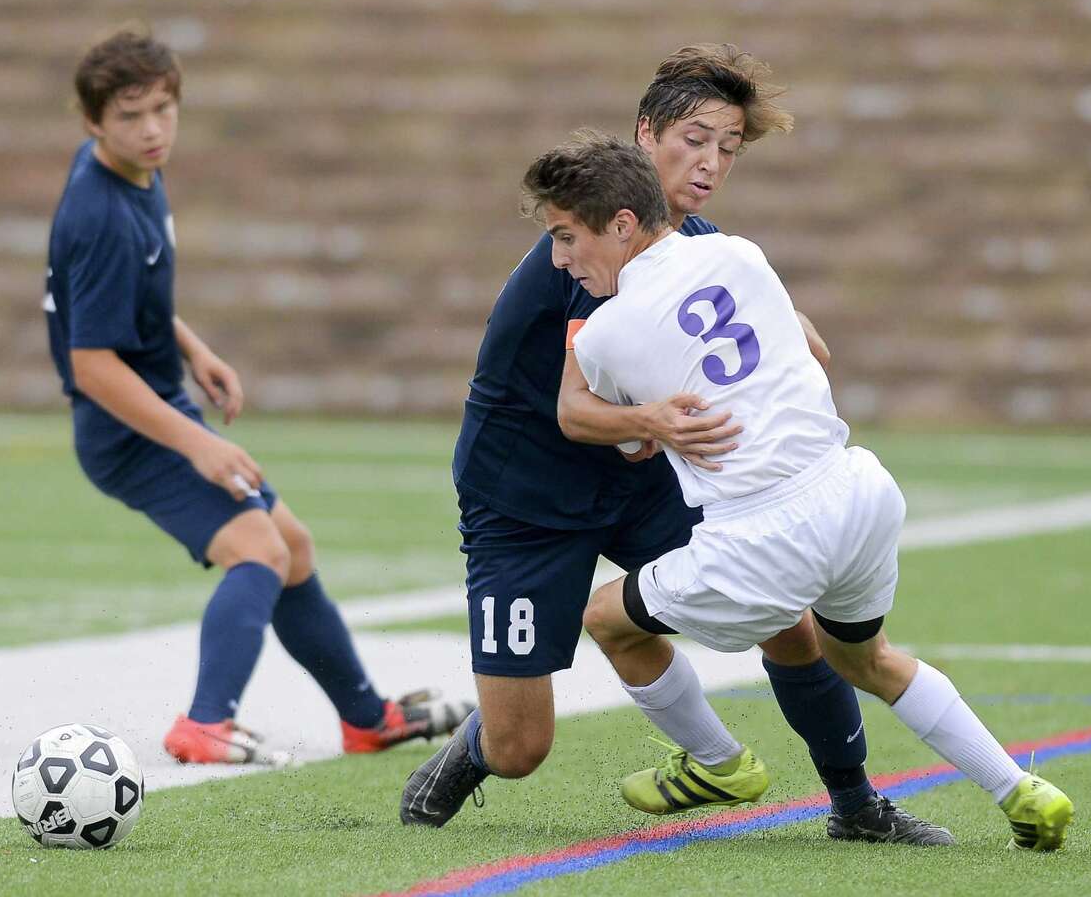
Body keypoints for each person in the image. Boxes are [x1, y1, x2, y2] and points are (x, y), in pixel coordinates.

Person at [402, 45, 948, 845]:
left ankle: (857, 805)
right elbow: (574, 413)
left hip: (638, 480)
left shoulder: (696, 246)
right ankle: (474, 748)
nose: (711, 163)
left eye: (728, 148)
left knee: (788, 620)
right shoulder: (582, 245)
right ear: (645, 134)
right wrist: (654, 423)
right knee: (521, 747)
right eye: (694, 140)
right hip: (526, 498)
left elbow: (797, 346)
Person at [530, 129, 1074, 851]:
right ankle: (1021, 789)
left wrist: (644, 421)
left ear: (623, 224)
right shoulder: (741, 253)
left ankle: (719, 762)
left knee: (607, 619)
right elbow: (807, 347)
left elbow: (603, 426)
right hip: (855, 491)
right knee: (869, 659)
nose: (560, 258)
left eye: (566, 237)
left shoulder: (606, 332)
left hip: (763, 533)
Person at [43, 28, 470, 766]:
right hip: (125, 429)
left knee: (291, 544)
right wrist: (200, 444)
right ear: (92, 122)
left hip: (158, 404)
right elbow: (92, 365)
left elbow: (126, 301)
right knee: (260, 550)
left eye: (162, 109)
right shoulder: (102, 214)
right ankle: (204, 723)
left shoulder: (132, 172)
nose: (152, 130)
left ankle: (366, 718)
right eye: (129, 117)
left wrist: (192, 348)